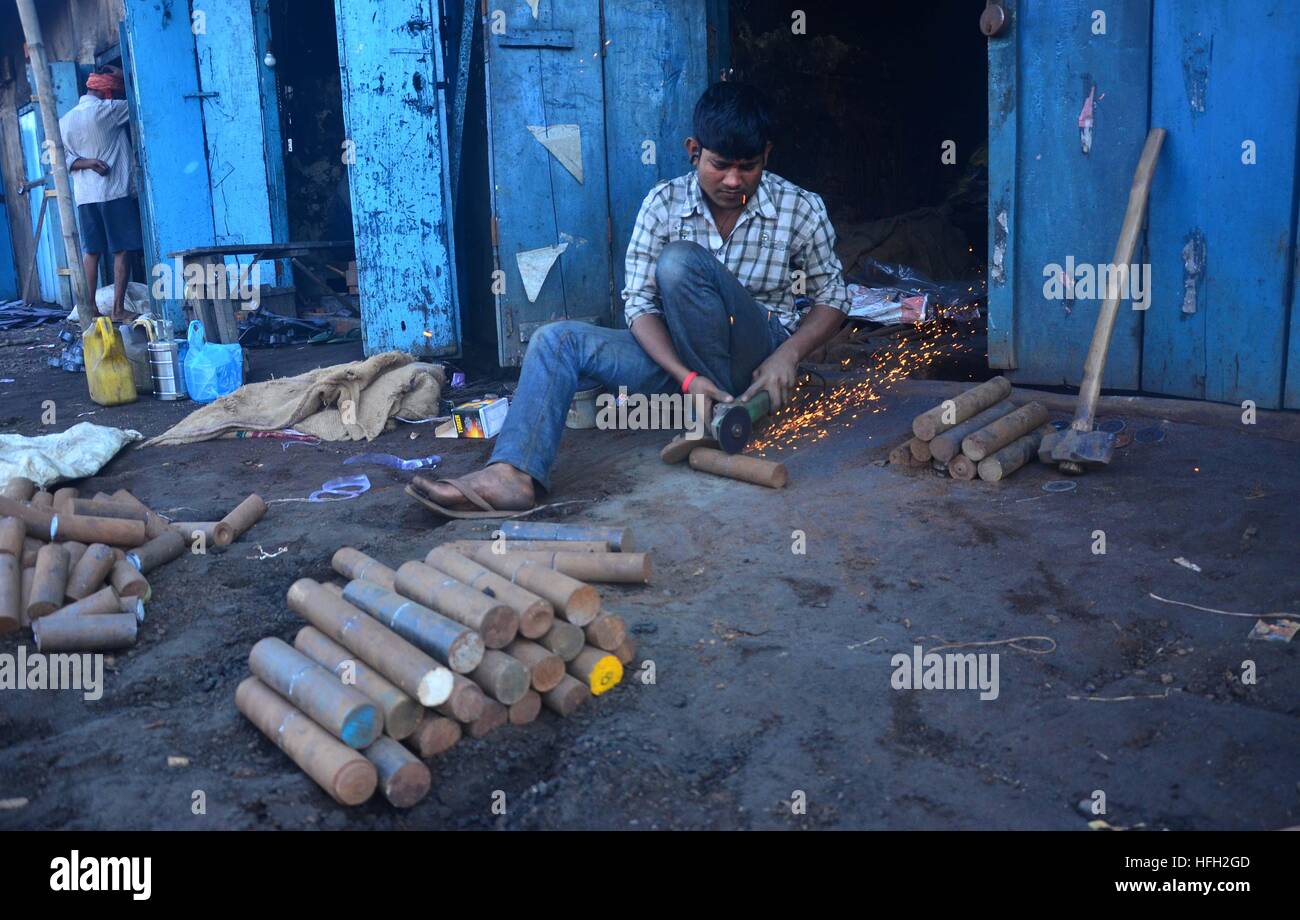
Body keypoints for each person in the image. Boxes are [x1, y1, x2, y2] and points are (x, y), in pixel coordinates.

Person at [411, 82, 849, 518]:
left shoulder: (799, 208)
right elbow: (638, 306)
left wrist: (787, 355)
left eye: (748, 167)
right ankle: (513, 474)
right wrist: (685, 377)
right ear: (694, 150)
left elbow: (834, 296)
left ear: (766, 156)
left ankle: (727, 405)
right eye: (720, 165)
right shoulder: (663, 204)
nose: (734, 181)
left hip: (755, 362)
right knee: (554, 340)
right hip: (683, 369)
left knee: (678, 263)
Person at [59, 64, 143, 323]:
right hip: (114, 192)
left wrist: (87, 162)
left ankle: (89, 309)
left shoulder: (65, 121)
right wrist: (120, 74)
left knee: (91, 252)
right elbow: (140, 99)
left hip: (85, 196)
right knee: (121, 251)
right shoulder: (109, 110)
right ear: (108, 92)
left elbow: (56, 158)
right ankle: (117, 309)